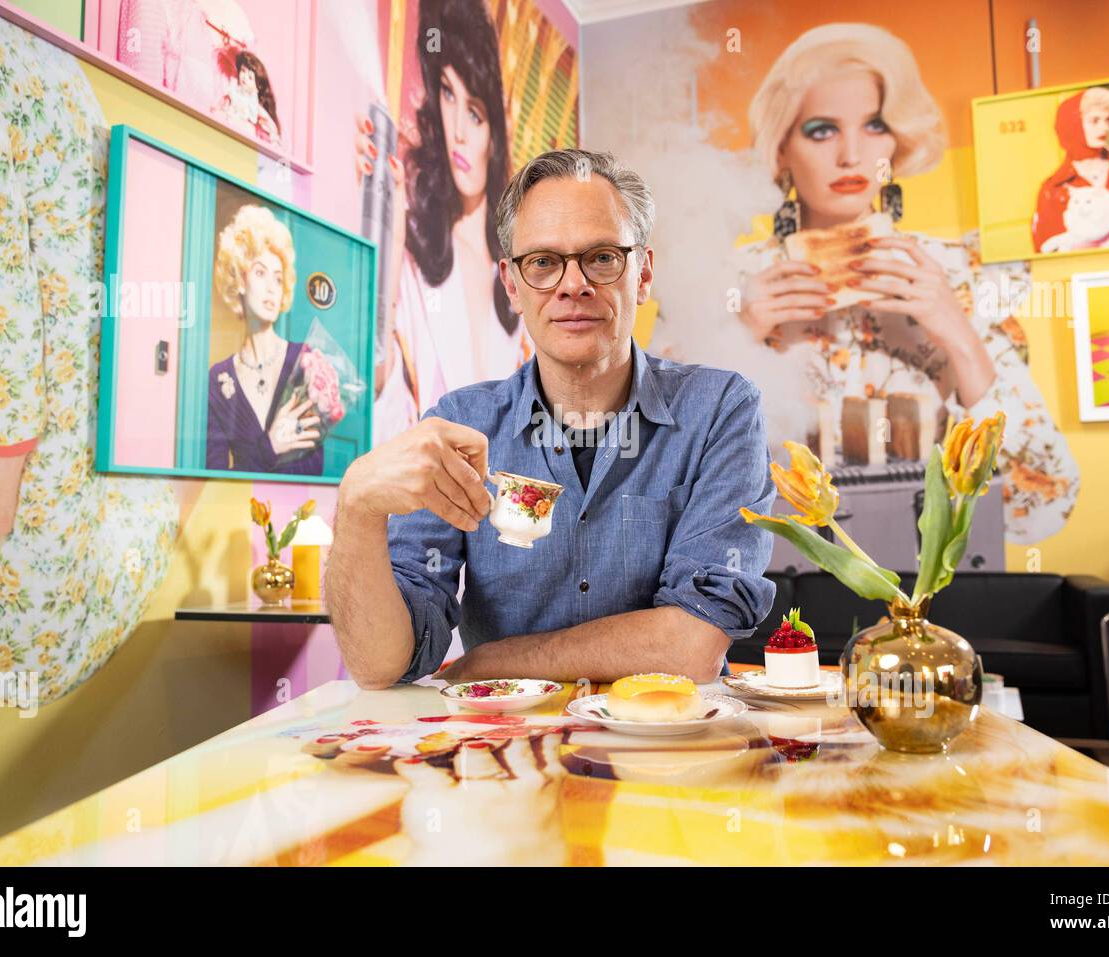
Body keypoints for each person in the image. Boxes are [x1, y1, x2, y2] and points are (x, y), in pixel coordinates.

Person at [327, 149, 777, 687]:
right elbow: (381, 665)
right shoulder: (460, 424)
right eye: (543, 262)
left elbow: (692, 645)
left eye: (602, 257)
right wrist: (357, 509)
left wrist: (492, 661)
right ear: (511, 285)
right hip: (503, 740)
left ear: (643, 274)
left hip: (669, 734)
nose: (572, 284)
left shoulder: (721, 410)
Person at [651, 22, 1079, 544]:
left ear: (898, 140)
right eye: (821, 130)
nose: (851, 154)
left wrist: (957, 333)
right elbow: (651, 482)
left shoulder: (958, 270)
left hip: (928, 575)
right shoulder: (720, 279)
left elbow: (1043, 498)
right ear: (782, 148)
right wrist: (736, 334)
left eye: (875, 124)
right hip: (766, 575)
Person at [0, 0, 179, 703]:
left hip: (45, 347)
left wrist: (3, 446)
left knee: (27, 656)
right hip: (59, 321)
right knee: (28, 653)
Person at [358, 0, 533, 443]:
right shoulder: (415, 263)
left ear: (495, 133)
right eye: (448, 94)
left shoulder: (519, 278)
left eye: (474, 113)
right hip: (427, 485)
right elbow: (383, 416)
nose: (458, 130)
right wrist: (387, 247)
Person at [206, 205, 323, 475]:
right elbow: (215, 476)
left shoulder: (304, 360)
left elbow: (315, 466)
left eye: (278, 278)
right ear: (240, 280)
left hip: (298, 503)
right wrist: (269, 448)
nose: (271, 287)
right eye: (260, 273)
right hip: (241, 504)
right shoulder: (219, 380)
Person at [1031, 87, 1109, 253]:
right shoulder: (1052, 190)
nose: (1105, 128)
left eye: (1108, 120)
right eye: (1095, 120)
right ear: (1073, 124)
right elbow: (1047, 253)